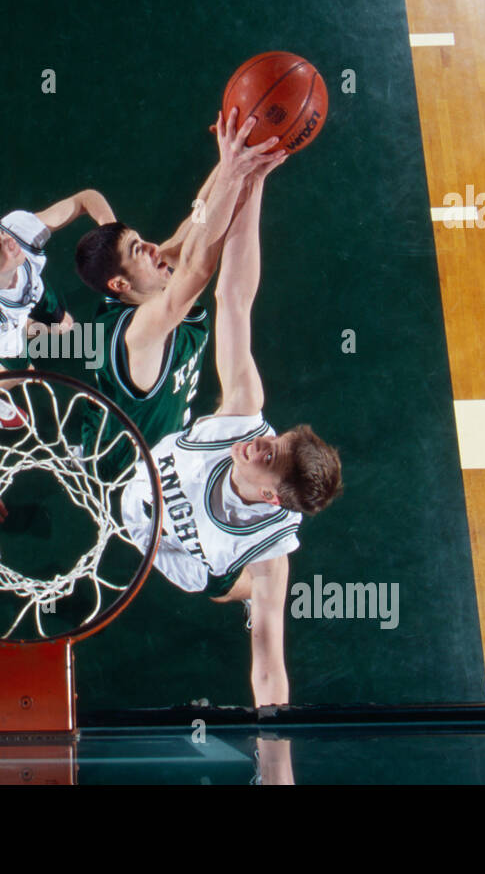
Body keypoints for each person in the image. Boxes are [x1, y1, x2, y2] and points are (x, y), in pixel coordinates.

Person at [119, 153, 342, 717]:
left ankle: (239, 592)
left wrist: (278, 764)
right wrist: (251, 182)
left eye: (270, 457)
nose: (265, 442)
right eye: (281, 439)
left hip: (181, 557)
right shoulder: (245, 417)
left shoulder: (267, 551)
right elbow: (234, 298)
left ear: (270, 495)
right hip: (150, 468)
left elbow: (269, 661)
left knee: (225, 585)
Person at [74, 111, 287, 462]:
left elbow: (197, 219)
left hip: (146, 424)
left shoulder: (143, 280)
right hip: (126, 470)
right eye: (137, 250)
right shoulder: (139, 332)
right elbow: (196, 268)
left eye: (140, 240)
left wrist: (233, 158)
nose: (153, 248)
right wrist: (236, 174)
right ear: (120, 283)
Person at [0, 191, 114, 501]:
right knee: (26, 370)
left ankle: (35, 329)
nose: (8, 241)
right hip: (3, 331)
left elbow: (86, 199)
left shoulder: (18, 230)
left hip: (31, 292)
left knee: (66, 328)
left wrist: (111, 233)